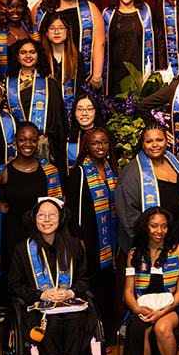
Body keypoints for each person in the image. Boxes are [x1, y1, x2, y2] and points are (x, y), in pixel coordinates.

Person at [9, 196, 106, 355]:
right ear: (34, 219)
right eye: (41, 215)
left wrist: (71, 291)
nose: (46, 219)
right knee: (47, 324)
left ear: (61, 218)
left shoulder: (73, 246)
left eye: (52, 215)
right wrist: (39, 295)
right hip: (38, 307)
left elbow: (84, 278)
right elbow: (15, 284)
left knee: (77, 319)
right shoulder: (23, 249)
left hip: (71, 305)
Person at [121, 206, 179, 355]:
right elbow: (128, 290)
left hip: (172, 307)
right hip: (142, 306)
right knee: (136, 328)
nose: (159, 230)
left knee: (162, 327)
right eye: (154, 226)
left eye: (164, 226)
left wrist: (161, 312)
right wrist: (136, 309)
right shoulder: (134, 253)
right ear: (146, 227)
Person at [64, 126, 119, 327]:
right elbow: (70, 210)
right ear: (87, 146)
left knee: (107, 284)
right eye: (95, 143)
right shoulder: (79, 173)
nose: (100, 146)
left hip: (109, 239)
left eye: (104, 142)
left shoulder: (112, 169)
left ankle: (106, 329)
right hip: (88, 238)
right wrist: (78, 240)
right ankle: (93, 331)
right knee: (92, 283)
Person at [0, 122, 62, 276]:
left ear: (37, 143)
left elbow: (58, 209)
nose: (28, 144)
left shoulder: (49, 171)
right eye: (22, 139)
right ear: (15, 142)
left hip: (40, 237)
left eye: (32, 140)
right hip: (11, 237)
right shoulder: (2, 172)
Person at [34, 0, 106, 92]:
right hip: (47, 73)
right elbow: (34, 40)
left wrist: (96, 76)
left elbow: (99, 43)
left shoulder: (90, 10)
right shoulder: (41, 9)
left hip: (80, 74)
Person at [115, 125, 179, 247]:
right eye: (149, 141)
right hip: (150, 244)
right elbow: (128, 217)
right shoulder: (131, 173)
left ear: (166, 141)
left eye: (159, 140)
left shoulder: (177, 163)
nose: (155, 145)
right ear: (143, 144)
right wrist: (143, 246)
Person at [6, 38, 63, 162]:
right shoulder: (7, 84)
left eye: (32, 52)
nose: (28, 56)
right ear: (17, 56)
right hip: (16, 144)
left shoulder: (49, 82)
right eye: (23, 52)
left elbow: (58, 118)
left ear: (38, 55)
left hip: (44, 145)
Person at [0, 0, 35, 78]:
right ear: (3, 9)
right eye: (10, 7)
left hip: (32, 83)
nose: (15, 11)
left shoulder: (32, 33)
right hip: (5, 83)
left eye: (19, 7)